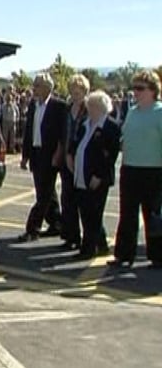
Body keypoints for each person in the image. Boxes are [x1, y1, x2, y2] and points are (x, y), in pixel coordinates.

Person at [111, 70, 162, 269]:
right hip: (130, 169)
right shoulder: (132, 111)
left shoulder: (159, 112)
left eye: (140, 88)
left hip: (154, 171)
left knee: (153, 215)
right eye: (134, 88)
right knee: (127, 214)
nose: (136, 92)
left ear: (152, 90)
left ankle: (157, 256)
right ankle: (124, 254)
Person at [67, 90, 120, 260]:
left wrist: (99, 175)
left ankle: (88, 249)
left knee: (94, 214)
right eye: (89, 106)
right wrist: (70, 156)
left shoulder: (110, 126)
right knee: (86, 211)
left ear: (102, 108)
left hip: (98, 178)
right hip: (81, 175)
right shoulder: (85, 123)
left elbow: (110, 156)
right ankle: (101, 244)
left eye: (93, 106)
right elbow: (75, 144)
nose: (89, 109)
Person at [18, 73, 67, 242]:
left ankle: (32, 228)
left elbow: (63, 134)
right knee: (46, 192)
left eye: (37, 85)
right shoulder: (33, 105)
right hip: (36, 154)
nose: (34, 88)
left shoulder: (59, 106)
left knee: (43, 195)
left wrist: (58, 154)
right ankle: (57, 224)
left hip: (50, 155)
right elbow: (28, 132)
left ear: (47, 88)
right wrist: (25, 156)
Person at [60, 75, 90, 251]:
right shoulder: (67, 108)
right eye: (72, 91)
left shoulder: (89, 109)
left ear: (85, 92)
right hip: (66, 157)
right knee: (67, 199)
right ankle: (71, 236)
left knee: (84, 202)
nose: (75, 95)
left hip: (83, 159)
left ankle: (90, 240)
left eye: (78, 92)